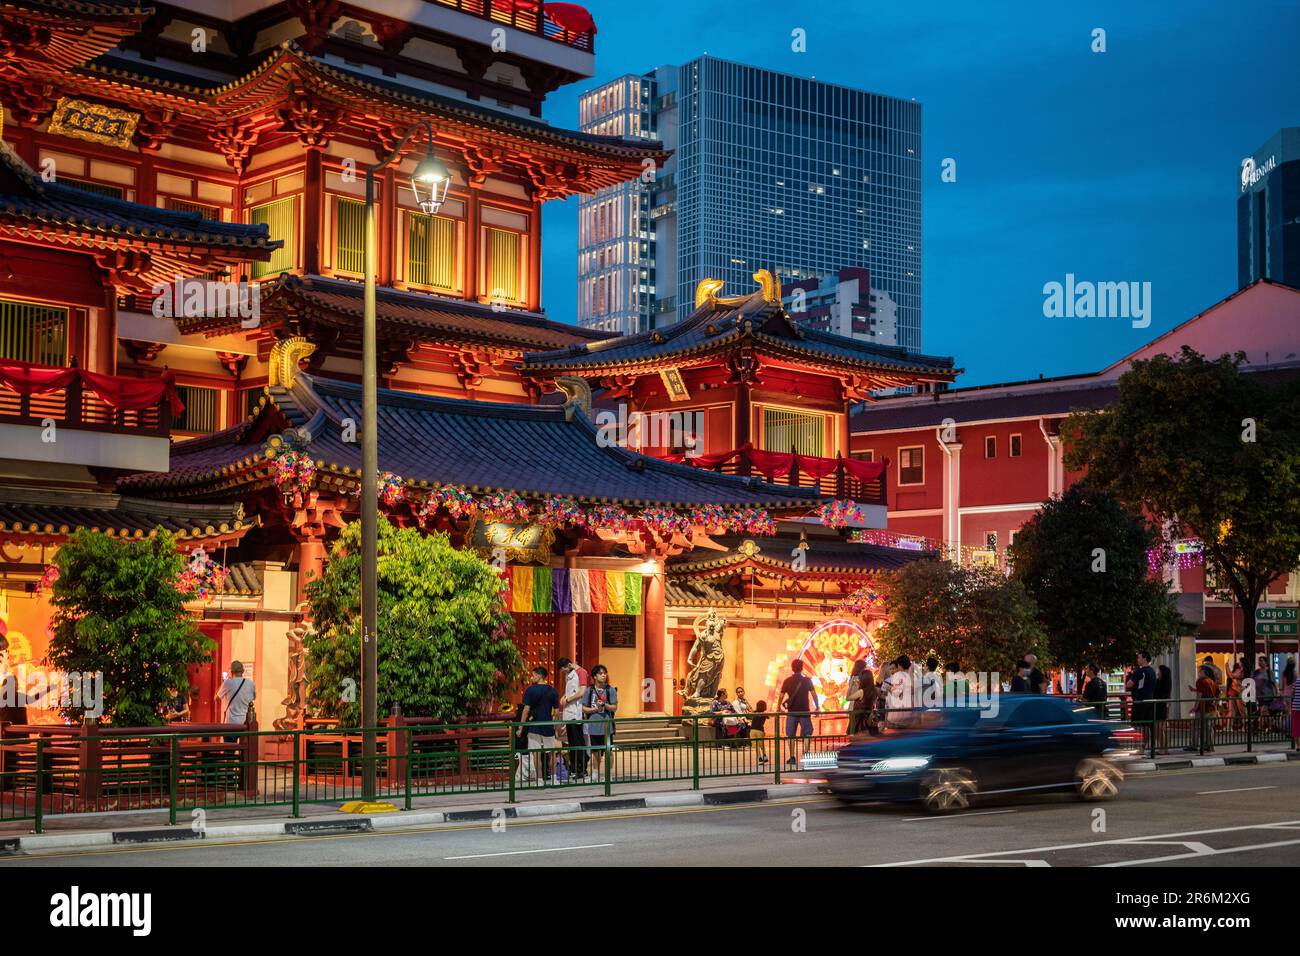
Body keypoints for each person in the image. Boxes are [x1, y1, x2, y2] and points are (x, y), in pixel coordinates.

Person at [519, 666, 560, 783]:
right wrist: (555, 726)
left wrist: (520, 727)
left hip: (534, 726)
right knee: (551, 753)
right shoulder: (553, 691)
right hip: (548, 725)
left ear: (539, 676)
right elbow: (556, 712)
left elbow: (526, 710)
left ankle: (539, 779)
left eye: (533, 675)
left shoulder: (530, 690)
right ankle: (554, 778)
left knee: (536, 754)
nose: (532, 677)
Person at [778, 660, 819, 766]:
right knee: (807, 734)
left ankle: (792, 758)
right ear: (802, 668)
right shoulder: (807, 680)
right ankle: (806, 756)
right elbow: (814, 694)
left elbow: (781, 696)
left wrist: (779, 707)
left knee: (791, 735)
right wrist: (817, 706)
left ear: (792, 668)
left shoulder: (787, 681)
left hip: (792, 712)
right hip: (805, 711)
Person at [581, 664, 618, 782]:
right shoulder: (589, 690)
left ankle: (609, 774)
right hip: (594, 725)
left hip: (607, 725)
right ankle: (595, 774)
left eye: (605, 673)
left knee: (608, 750)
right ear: (594, 676)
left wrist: (605, 705)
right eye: (601, 673)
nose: (604, 675)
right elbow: (583, 708)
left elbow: (614, 707)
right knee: (595, 751)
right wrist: (595, 709)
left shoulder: (610, 690)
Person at [555, 657, 588, 780]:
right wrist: (564, 697)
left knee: (578, 741)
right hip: (569, 712)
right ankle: (573, 767)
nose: (564, 672)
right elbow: (569, 691)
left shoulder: (581, 672)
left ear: (569, 665)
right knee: (571, 741)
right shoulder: (569, 674)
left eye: (564, 670)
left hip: (576, 712)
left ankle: (581, 768)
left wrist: (568, 699)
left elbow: (581, 691)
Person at [217, 661, 256, 743]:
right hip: (245, 723)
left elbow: (217, 698)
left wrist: (222, 684)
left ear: (231, 671)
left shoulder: (228, 683)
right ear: (243, 671)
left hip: (231, 723)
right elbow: (253, 698)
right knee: (245, 752)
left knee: (229, 750)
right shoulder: (251, 684)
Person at [1125, 651, 1157, 750]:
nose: (1137, 660)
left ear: (1144, 659)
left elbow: (1129, 684)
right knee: (1146, 725)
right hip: (1150, 700)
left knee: (1138, 725)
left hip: (1139, 701)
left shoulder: (1139, 671)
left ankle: (1139, 747)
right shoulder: (1152, 671)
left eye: (1139, 658)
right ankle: (1144, 746)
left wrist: (1130, 676)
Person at [1189, 664, 1219, 752]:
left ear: (1204, 672)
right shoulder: (1212, 681)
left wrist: (1194, 708)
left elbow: (1199, 696)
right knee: (1209, 727)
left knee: (1195, 726)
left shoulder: (1200, 681)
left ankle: (1194, 745)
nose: (1198, 673)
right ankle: (1209, 745)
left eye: (1199, 671)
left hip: (1202, 708)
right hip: (1211, 708)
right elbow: (1217, 694)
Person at [846, 660, 877, 734]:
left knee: (853, 733)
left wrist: (851, 685)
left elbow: (848, 698)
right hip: (867, 716)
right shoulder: (874, 690)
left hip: (857, 715)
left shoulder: (861, 691)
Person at [1155, 664, 1173, 752]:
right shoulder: (1167, 682)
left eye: (1159, 671)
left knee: (1159, 729)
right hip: (1163, 706)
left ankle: (1162, 748)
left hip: (1159, 707)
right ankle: (1164, 748)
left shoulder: (1160, 682)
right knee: (1162, 729)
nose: (1157, 672)